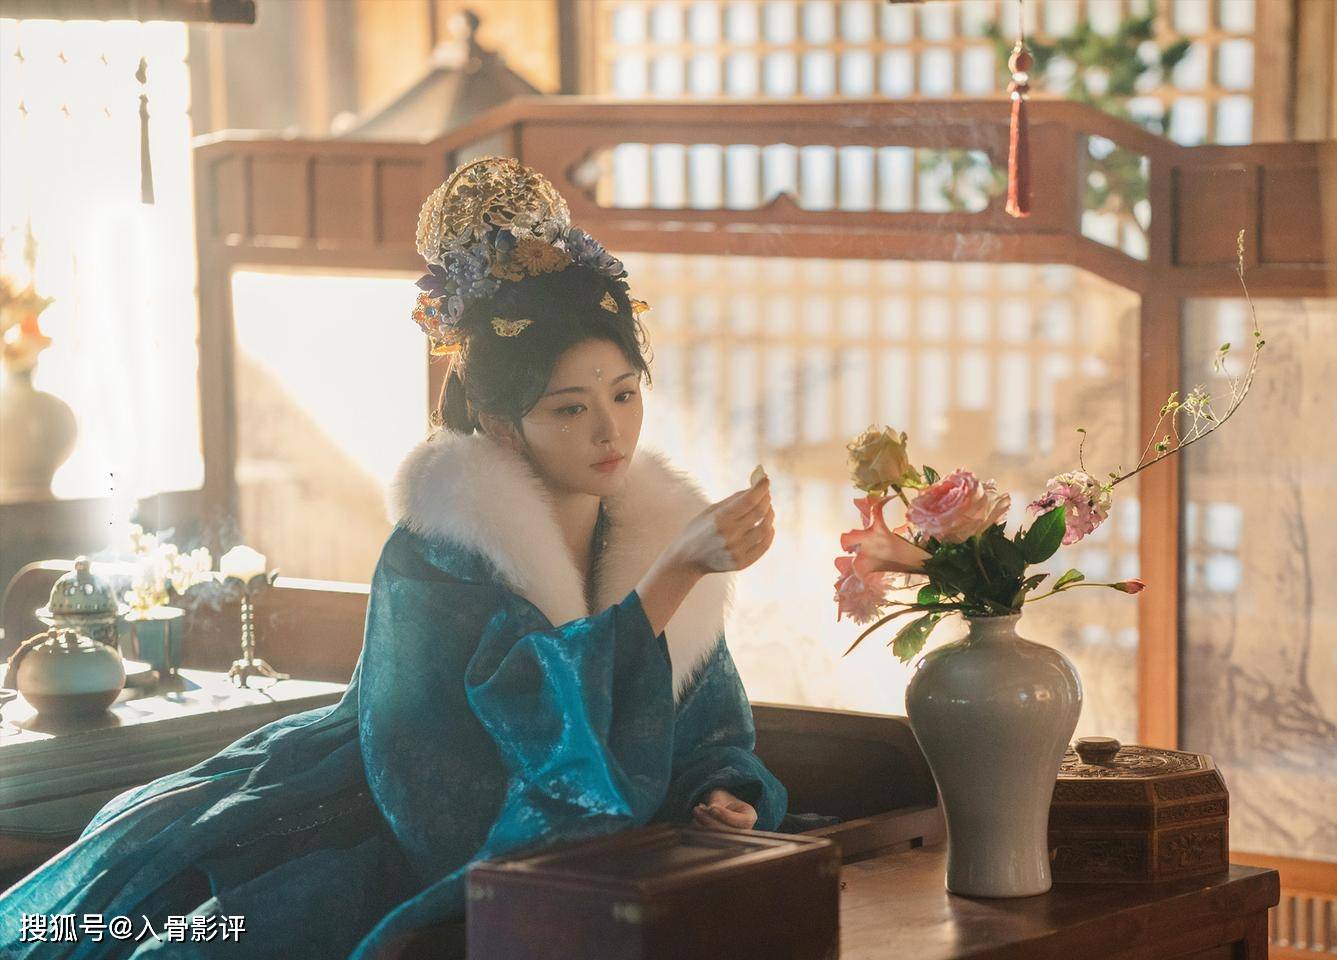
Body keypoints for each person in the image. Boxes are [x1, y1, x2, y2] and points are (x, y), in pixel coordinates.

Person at [0, 157, 832, 959]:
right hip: (387, 836)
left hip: (610, 867)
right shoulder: (437, 555)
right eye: (569, 408)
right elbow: (452, 781)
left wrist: (721, 792)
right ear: (503, 423)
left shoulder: (652, 529)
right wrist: (671, 579)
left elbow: (708, 727)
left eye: (624, 393)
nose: (610, 430)